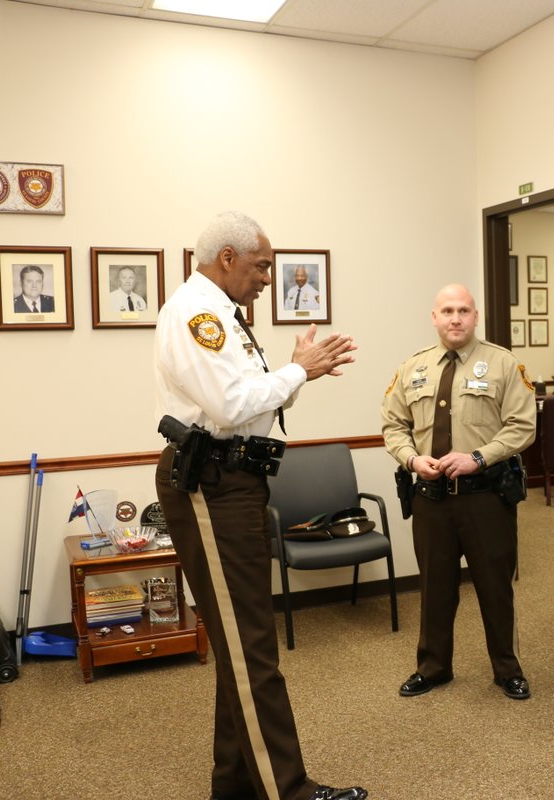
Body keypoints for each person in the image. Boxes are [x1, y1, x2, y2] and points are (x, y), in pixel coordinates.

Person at [153, 211, 366, 800]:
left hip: (237, 479)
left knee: (240, 641)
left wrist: (297, 374)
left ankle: (236, 786)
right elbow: (228, 406)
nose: (268, 278)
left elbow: (250, 403)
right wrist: (297, 370)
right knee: (250, 646)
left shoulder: (223, 312)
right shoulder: (196, 314)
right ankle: (287, 789)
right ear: (227, 258)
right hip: (211, 484)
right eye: (262, 266)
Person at [382, 283, 536, 701]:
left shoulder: (503, 364)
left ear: (476, 316)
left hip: (486, 497)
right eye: (447, 311)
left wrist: (479, 458)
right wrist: (412, 459)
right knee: (434, 589)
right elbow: (393, 425)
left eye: (463, 310)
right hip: (431, 498)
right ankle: (433, 668)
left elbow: (523, 427)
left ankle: (508, 669)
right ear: (434, 317)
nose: (455, 318)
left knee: (495, 588)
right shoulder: (413, 368)